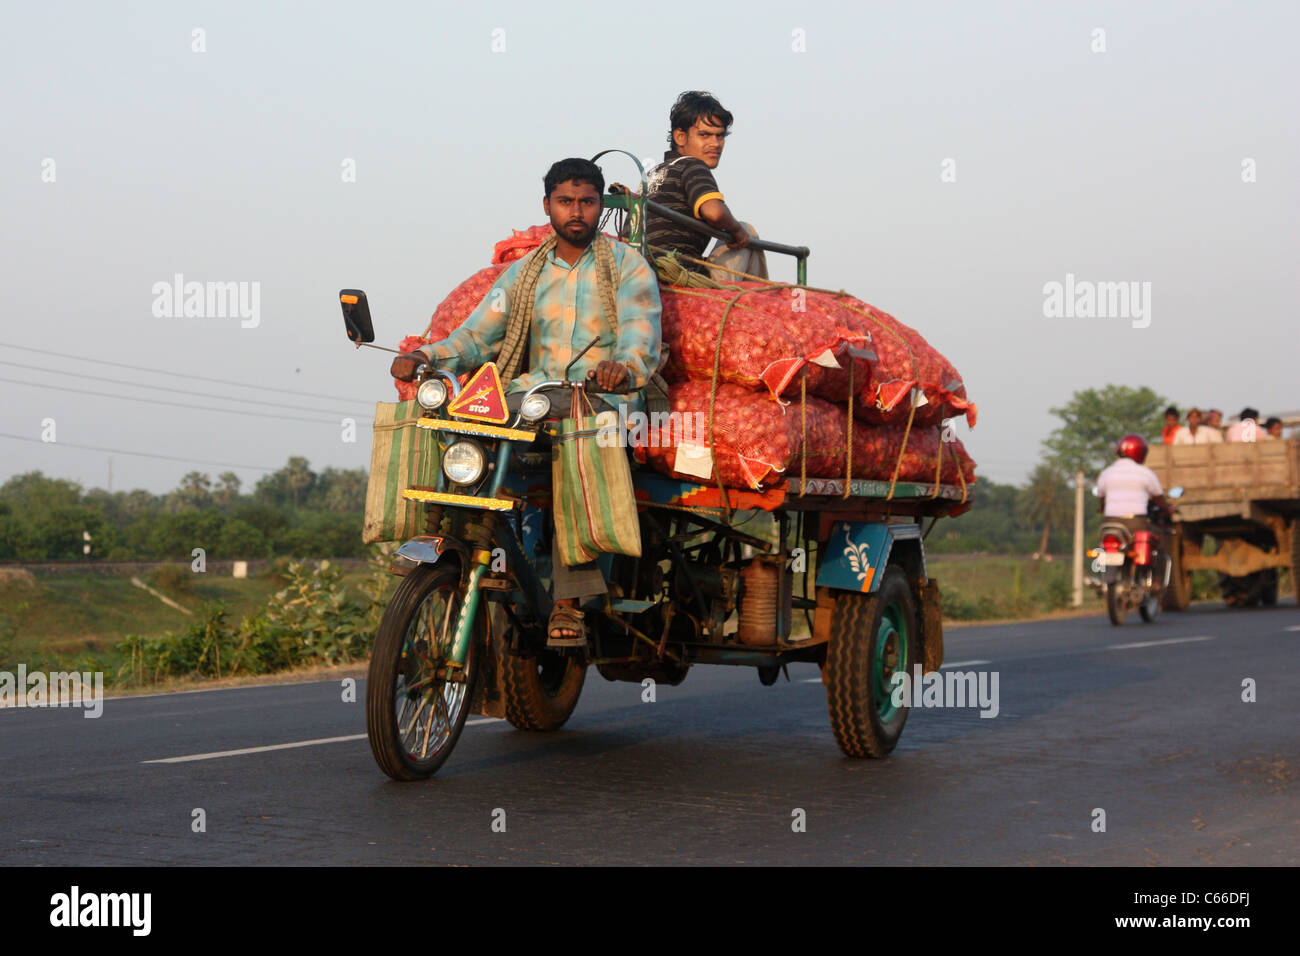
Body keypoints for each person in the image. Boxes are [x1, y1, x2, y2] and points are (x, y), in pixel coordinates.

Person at [390, 158, 663, 648]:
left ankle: (570, 601)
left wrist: (621, 367)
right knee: (453, 420)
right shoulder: (525, 272)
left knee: (576, 444)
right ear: (547, 207)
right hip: (533, 396)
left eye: (586, 201)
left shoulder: (627, 266)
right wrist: (424, 355)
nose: (576, 211)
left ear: (600, 206)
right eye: (565, 202)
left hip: (600, 400)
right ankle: (448, 539)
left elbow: (640, 340)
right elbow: (477, 337)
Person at [642, 91, 767, 282]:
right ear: (680, 137)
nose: (715, 144)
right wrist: (737, 232)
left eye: (720, 136)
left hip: (643, 270)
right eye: (705, 135)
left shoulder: (653, 175)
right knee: (747, 230)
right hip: (680, 274)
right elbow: (714, 213)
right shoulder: (692, 165)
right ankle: (759, 307)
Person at [1095, 435, 1175, 533]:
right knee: (1157, 538)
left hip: (1110, 522)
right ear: (1140, 452)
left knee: (1102, 546)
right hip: (1136, 523)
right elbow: (1158, 498)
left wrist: (1102, 508)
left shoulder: (1106, 472)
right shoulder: (1145, 473)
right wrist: (1167, 509)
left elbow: (1102, 499)